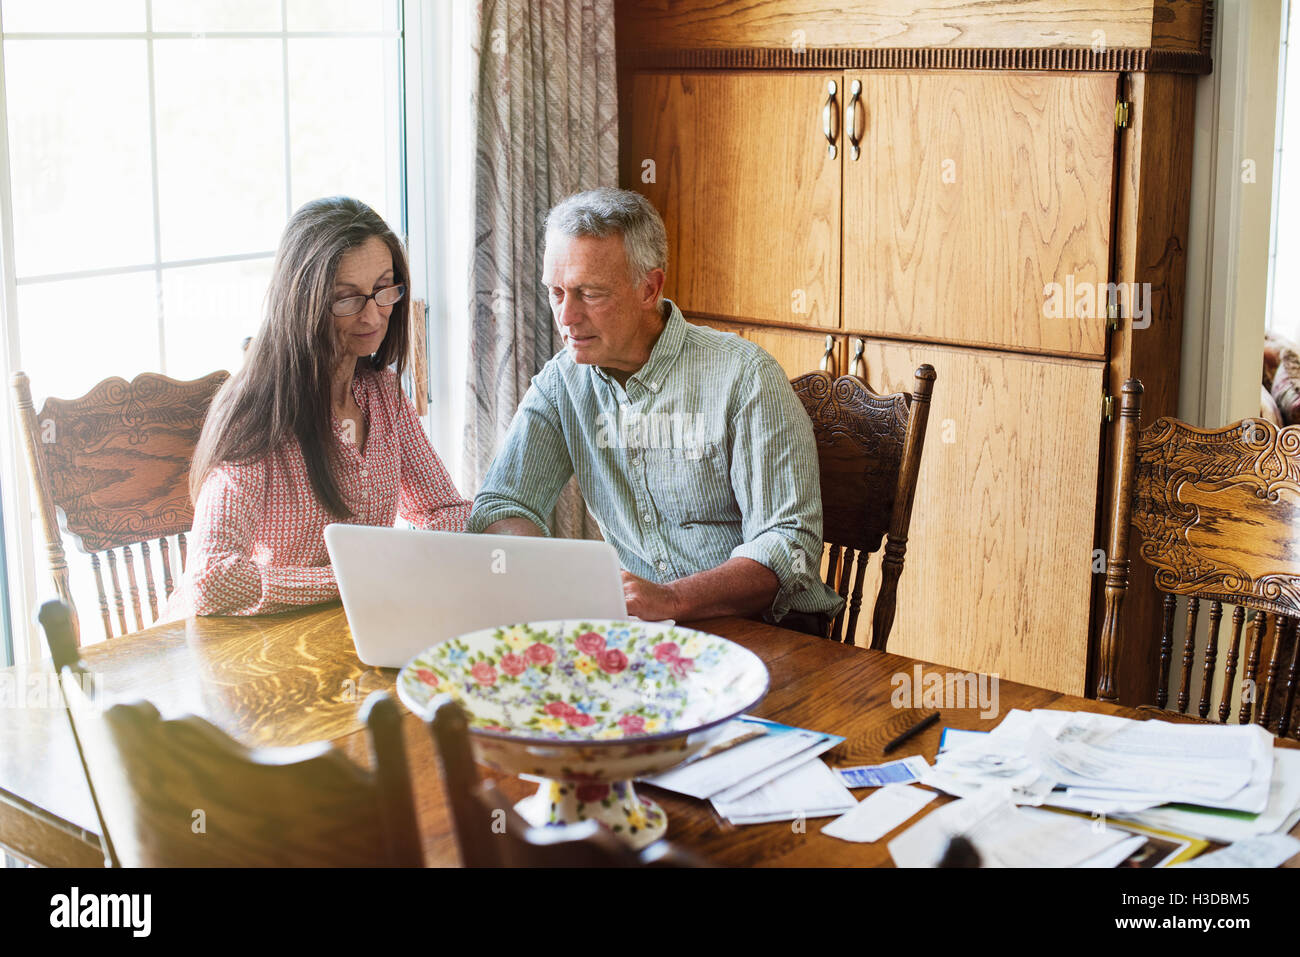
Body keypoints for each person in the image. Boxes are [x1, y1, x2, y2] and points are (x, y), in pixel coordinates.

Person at [468, 187, 843, 635]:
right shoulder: (562, 383)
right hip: (648, 635)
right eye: (556, 292)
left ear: (649, 288)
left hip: (768, 633)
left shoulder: (745, 376)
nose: (566, 317)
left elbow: (790, 545)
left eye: (589, 293)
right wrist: (558, 578)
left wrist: (671, 599)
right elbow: (500, 504)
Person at [183, 196, 471, 616]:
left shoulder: (382, 394)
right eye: (347, 298)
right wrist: (359, 575)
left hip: (356, 624)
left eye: (383, 290)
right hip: (264, 645)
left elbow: (445, 511)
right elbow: (210, 579)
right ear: (304, 302)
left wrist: (398, 565)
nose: (373, 316)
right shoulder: (255, 414)